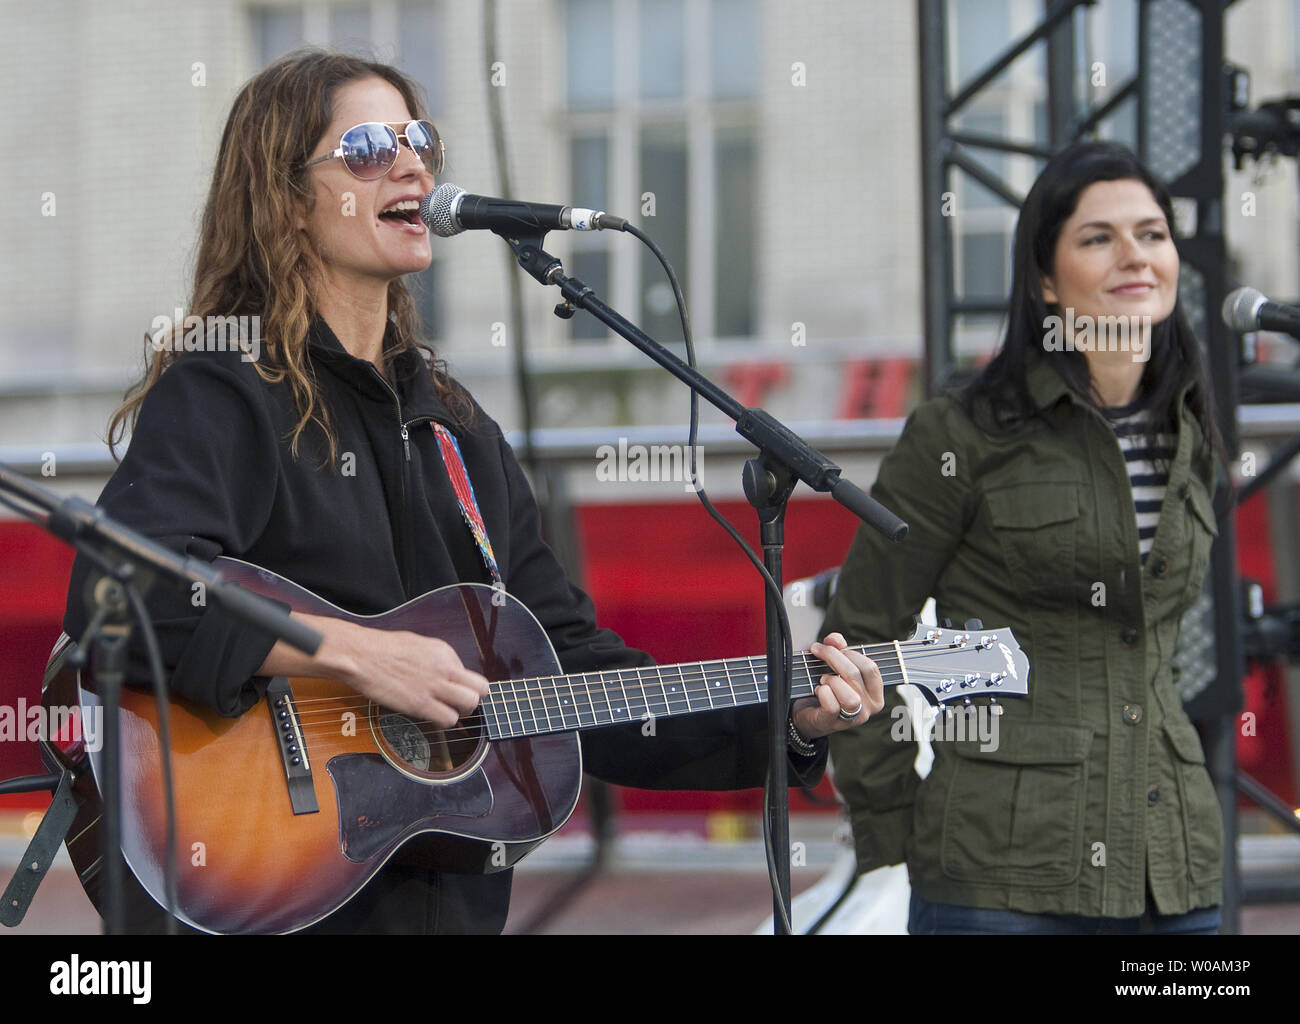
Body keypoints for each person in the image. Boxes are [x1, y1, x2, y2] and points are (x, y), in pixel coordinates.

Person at [61, 48, 885, 934]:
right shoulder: (227, 389)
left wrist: (786, 718)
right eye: (371, 145)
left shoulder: (455, 427)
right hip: (276, 897)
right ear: (286, 199)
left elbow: (572, 674)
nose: (414, 162)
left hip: (445, 907)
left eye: (421, 139)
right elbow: (124, 595)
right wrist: (352, 653)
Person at [822, 141, 1224, 934]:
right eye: (1098, 238)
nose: (1134, 256)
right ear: (1046, 280)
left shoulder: (1190, 427)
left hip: (1172, 868)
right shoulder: (961, 433)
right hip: (998, 878)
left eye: (1152, 234)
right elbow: (856, 636)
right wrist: (898, 827)